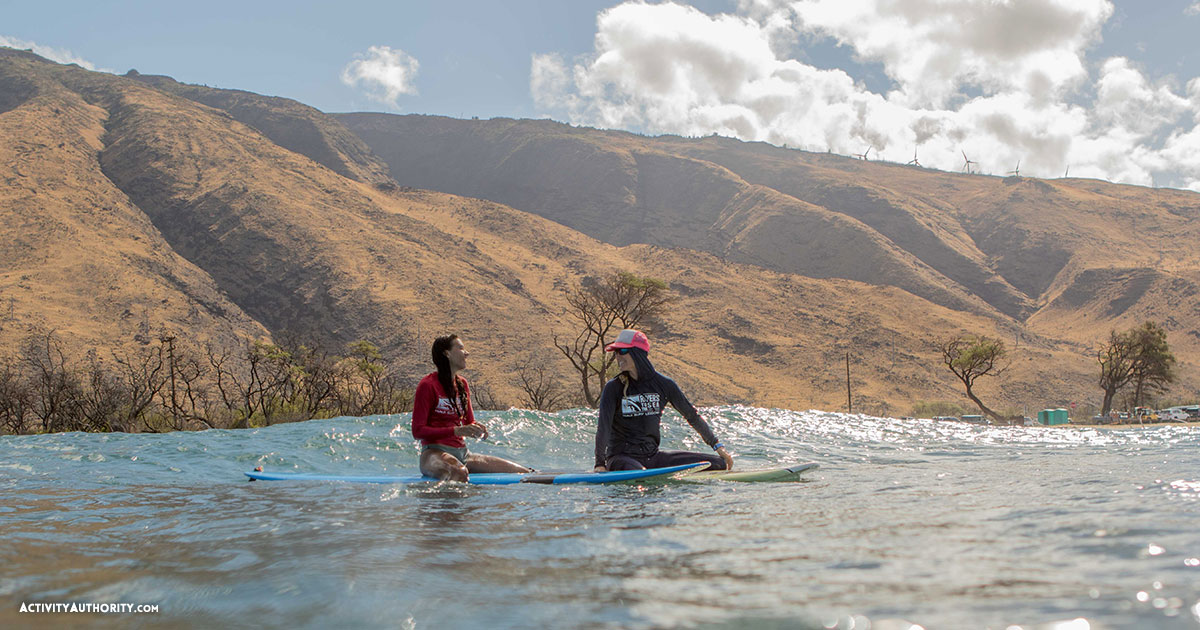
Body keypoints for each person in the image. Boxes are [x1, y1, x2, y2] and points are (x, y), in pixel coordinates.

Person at [594, 329, 734, 472]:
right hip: (621, 458)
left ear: (638, 353)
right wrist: (600, 464)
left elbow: (692, 416)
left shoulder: (664, 385)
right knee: (640, 473)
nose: (617, 356)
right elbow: (603, 428)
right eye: (615, 351)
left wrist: (717, 445)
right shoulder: (614, 387)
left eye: (622, 351)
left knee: (717, 464)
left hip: (653, 457)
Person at [412, 334, 530, 482]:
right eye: (461, 348)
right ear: (446, 353)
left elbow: (469, 422)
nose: (466, 353)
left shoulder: (463, 384)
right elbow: (417, 431)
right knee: (459, 473)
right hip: (434, 454)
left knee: (522, 472)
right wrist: (456, 430)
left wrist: (477, 428)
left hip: (463, 454)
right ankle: (452, 504)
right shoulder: (427, 385)